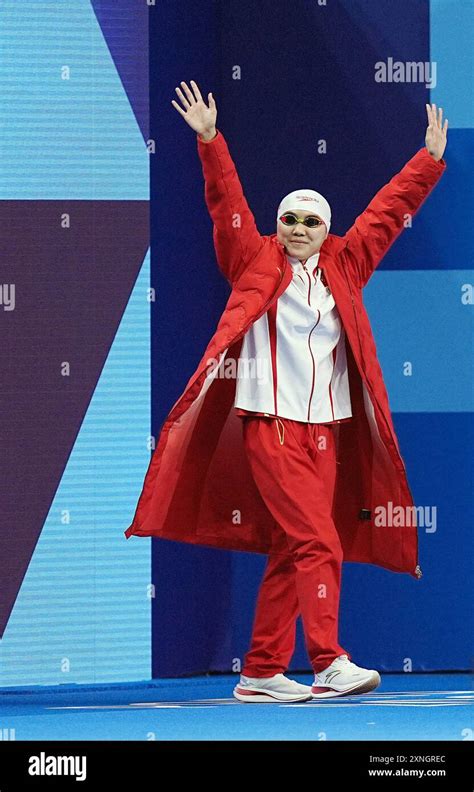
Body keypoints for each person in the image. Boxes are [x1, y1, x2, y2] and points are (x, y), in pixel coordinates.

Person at [125, 80, 448, 703]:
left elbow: (385, 213)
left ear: (327, 230)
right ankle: (328, 660)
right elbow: (228, 208)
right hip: (268, 424)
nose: (298, 229)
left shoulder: (345, 265)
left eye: (310, 221)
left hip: (324, 427)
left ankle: (260, 670)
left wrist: (429, 161)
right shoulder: (254, 260)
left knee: (288, 545)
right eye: (289, 220)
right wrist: (211, 142)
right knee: (317, 539)